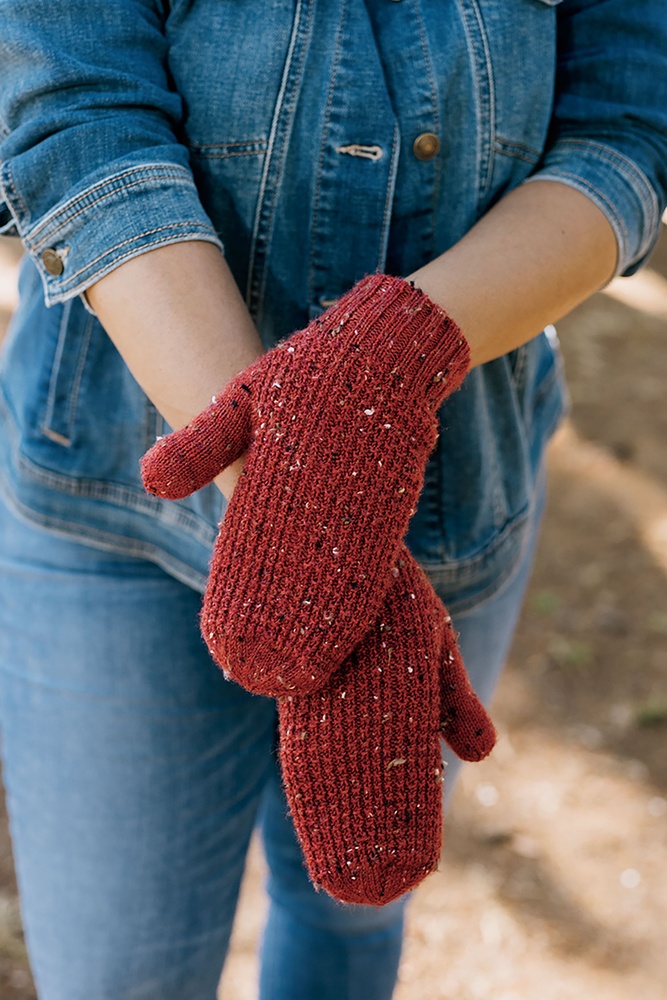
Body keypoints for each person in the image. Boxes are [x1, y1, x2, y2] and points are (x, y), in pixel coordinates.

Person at [0, 0, 665, 997]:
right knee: (119, 976)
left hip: (444, 499)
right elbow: (78, 115)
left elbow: (626, 133)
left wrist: (398, 351)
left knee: (348, 931)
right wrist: (315, 503)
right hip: (112, 492)